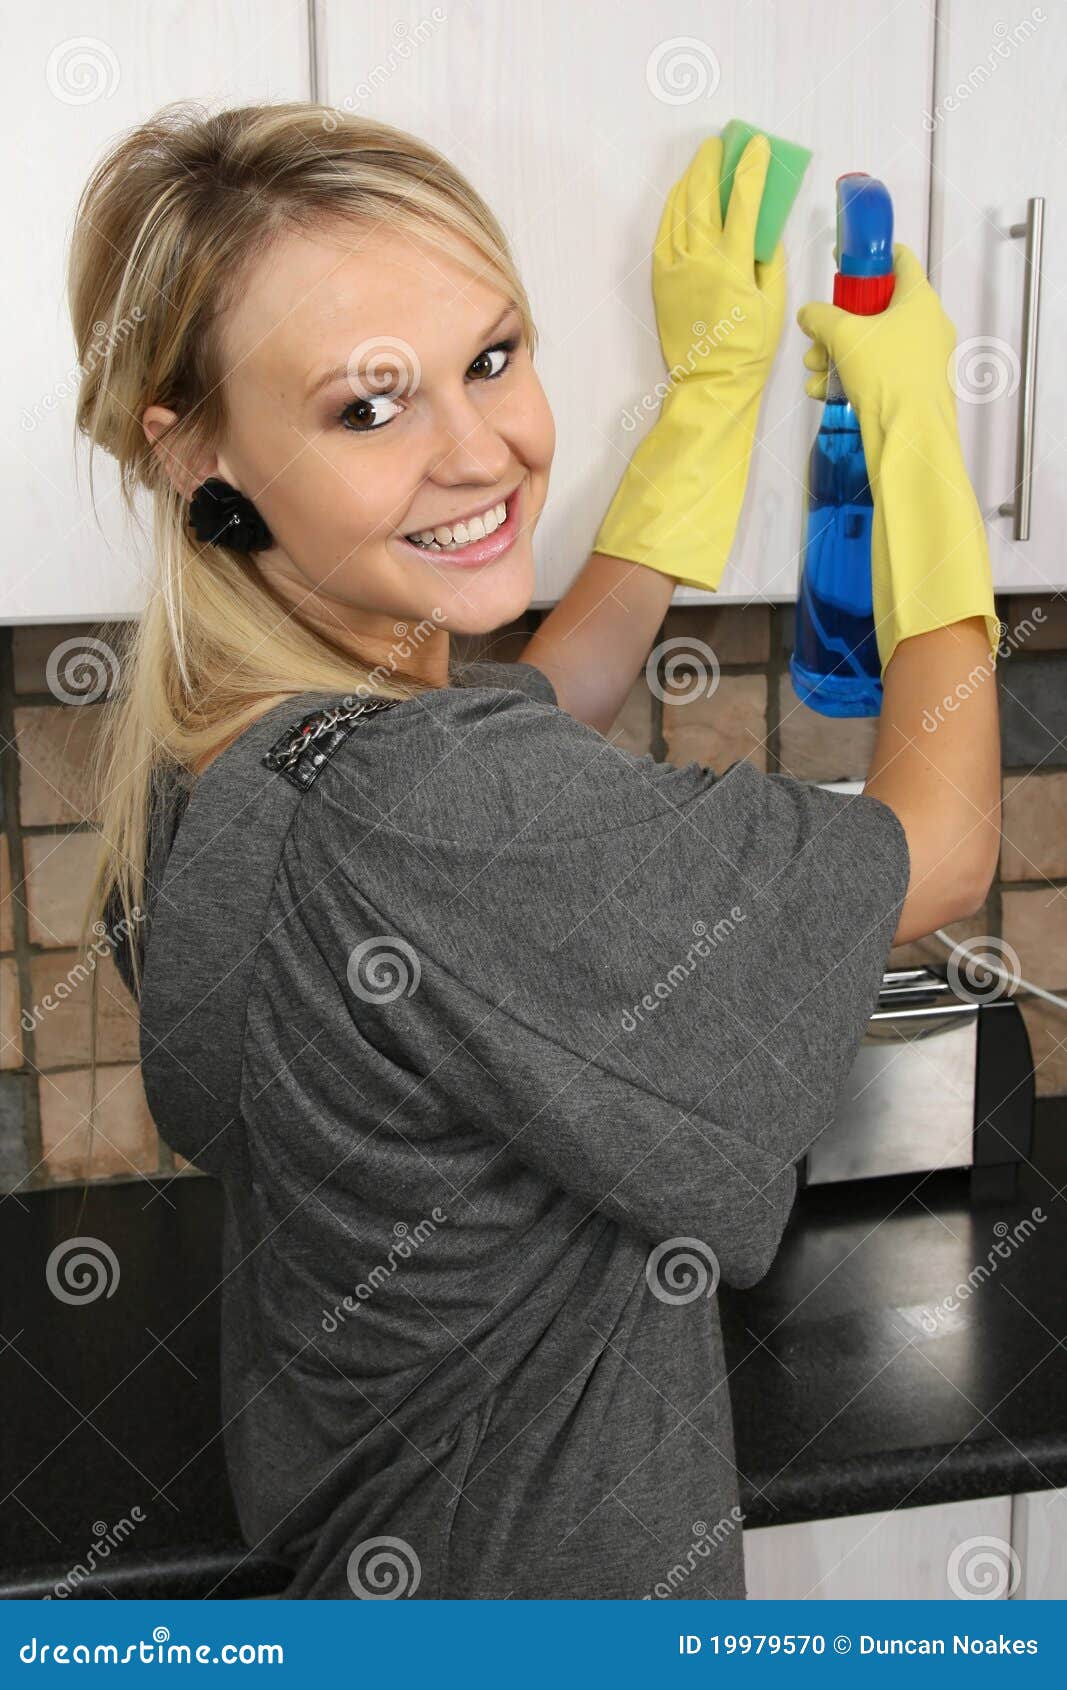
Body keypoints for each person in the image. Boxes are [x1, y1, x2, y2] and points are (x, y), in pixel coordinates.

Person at [71, 100, 1000, 1600]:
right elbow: (942, 850)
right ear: (194, 453)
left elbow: (521, 720)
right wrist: (916, 444)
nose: (483, 449)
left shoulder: (212, 745)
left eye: (494, 358)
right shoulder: (439, 812)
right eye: (368, 408)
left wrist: (706, 401)